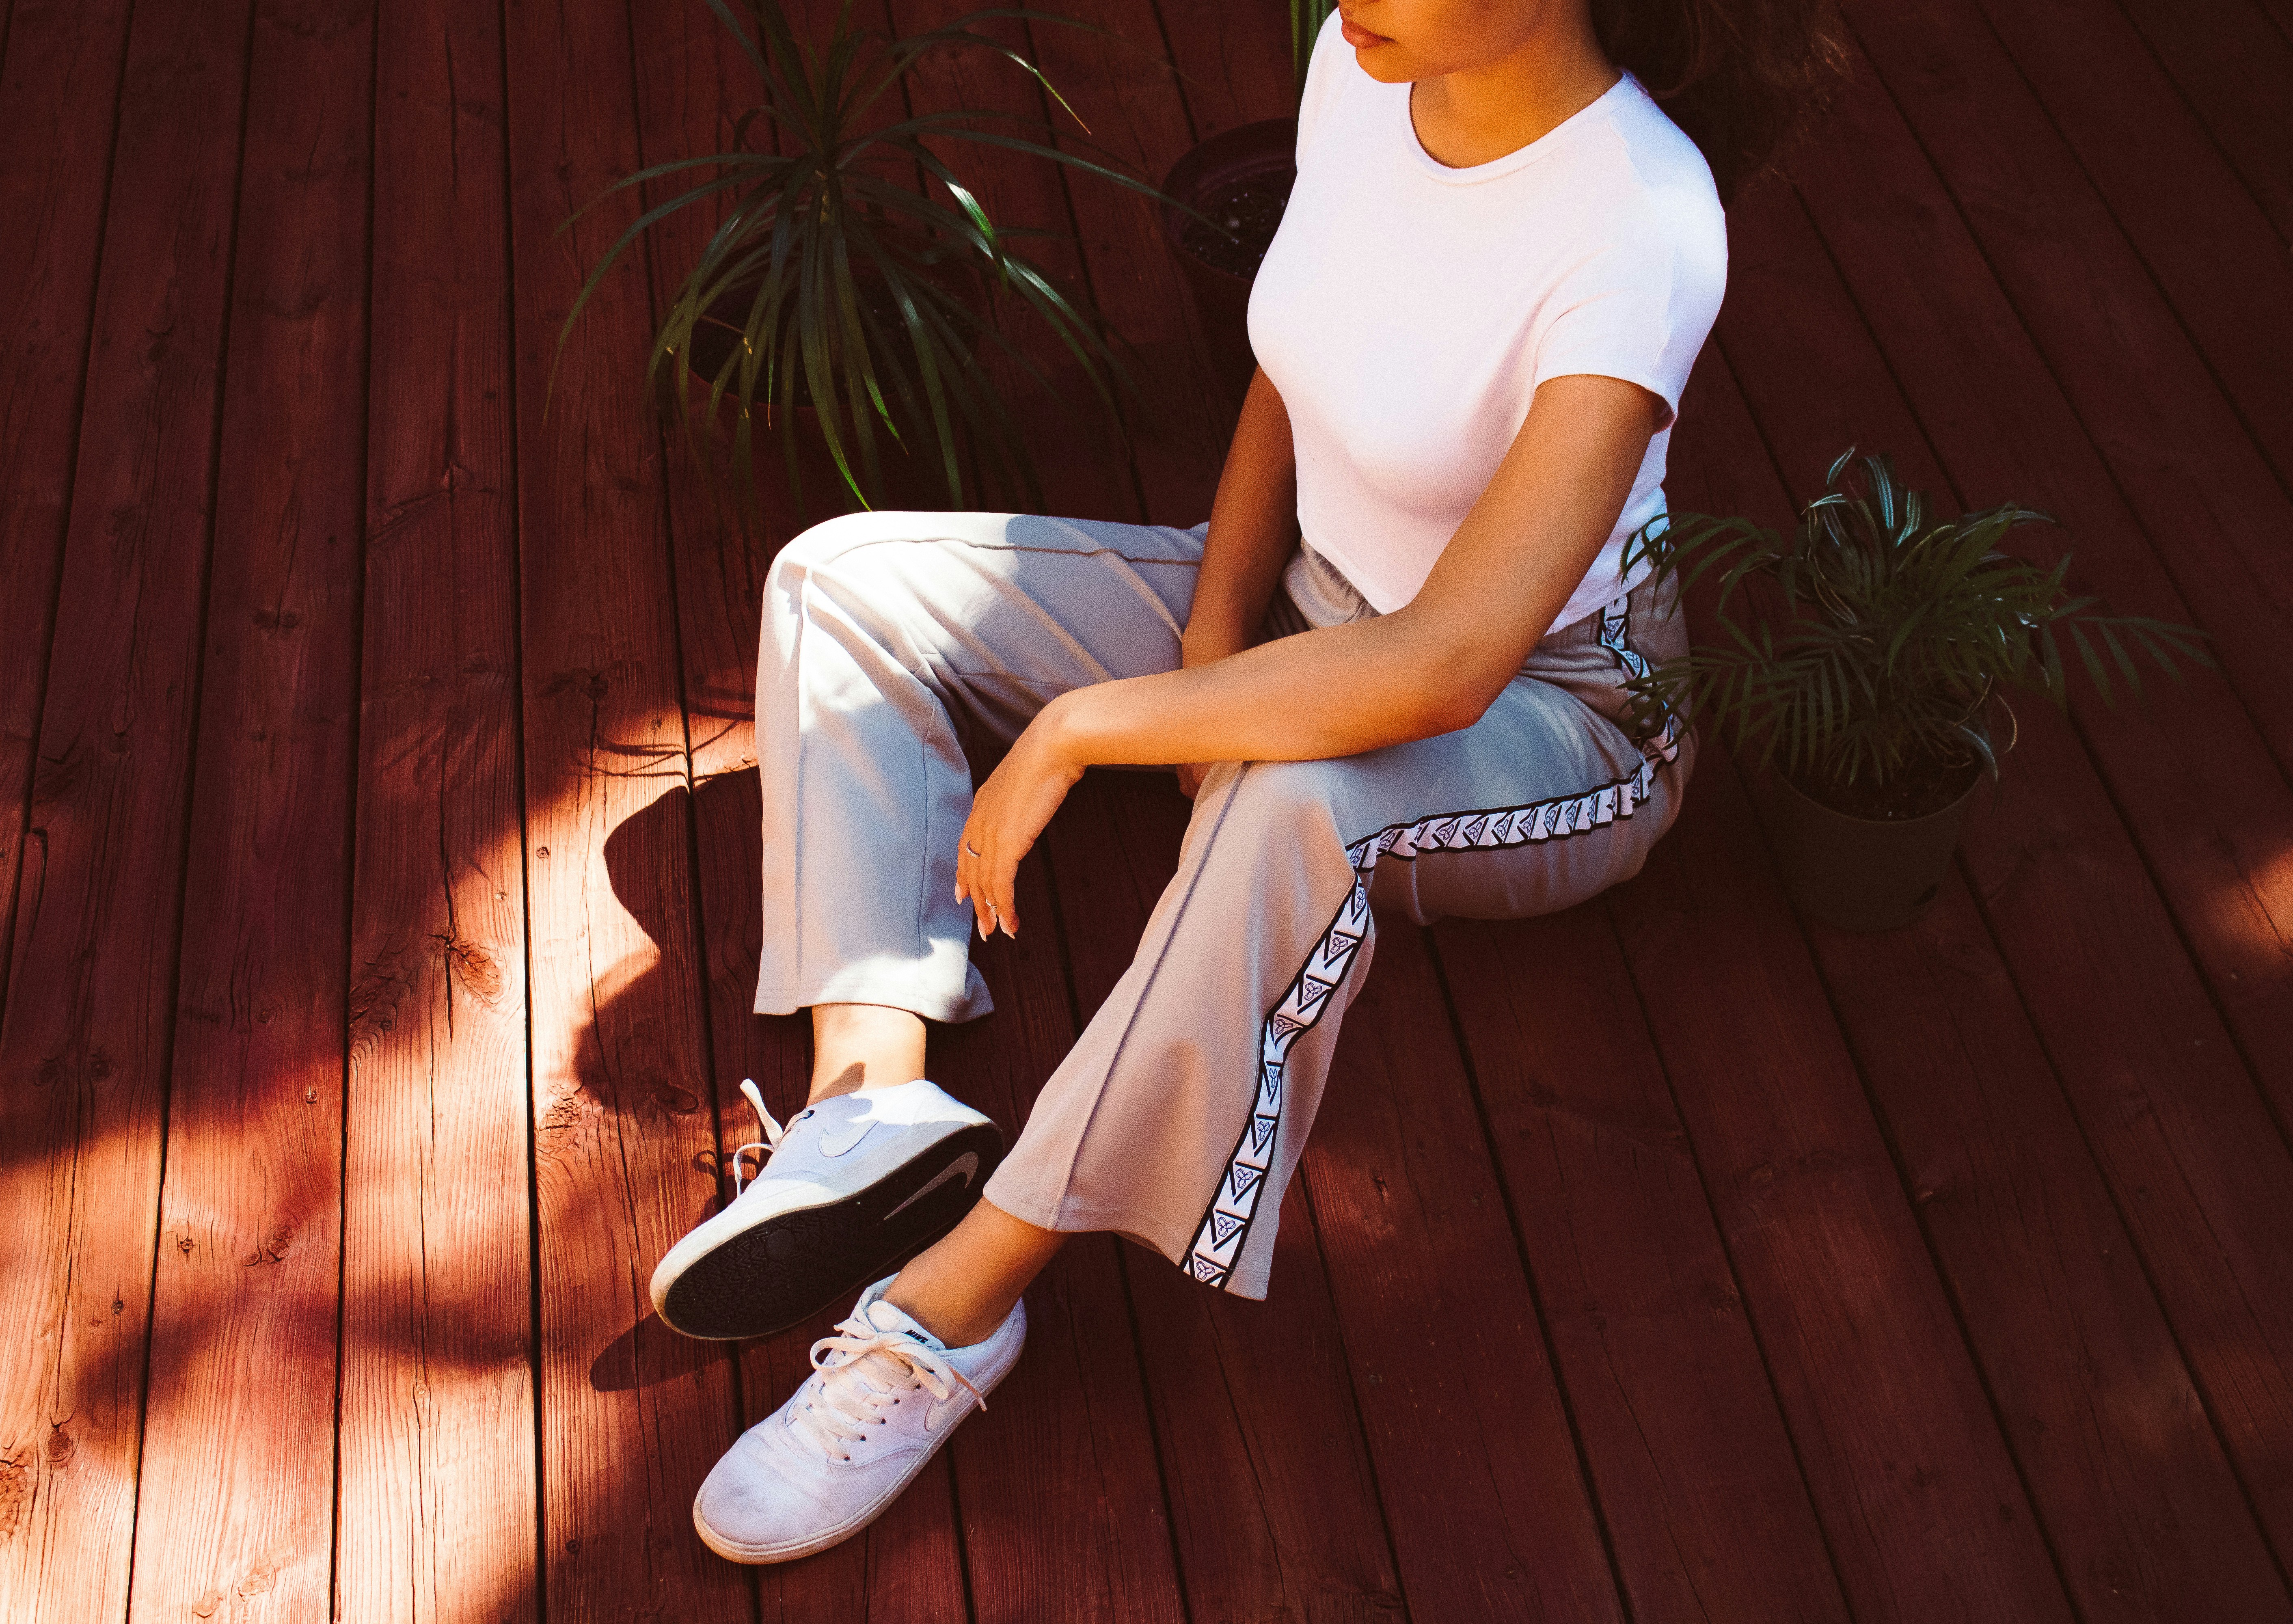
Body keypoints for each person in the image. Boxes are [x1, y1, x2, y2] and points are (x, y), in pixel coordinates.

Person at [657, 0, 1839, 1566]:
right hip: (1305, 600)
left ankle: (956, 1308)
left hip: (1563, 717)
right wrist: (1206, 667)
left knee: (1294, 800)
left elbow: (1449, 667)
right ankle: (867, 1102)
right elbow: (1290, 369)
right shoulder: (1370, 65)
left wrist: (1096, 729)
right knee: (841, 588)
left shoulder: (1641, 220)